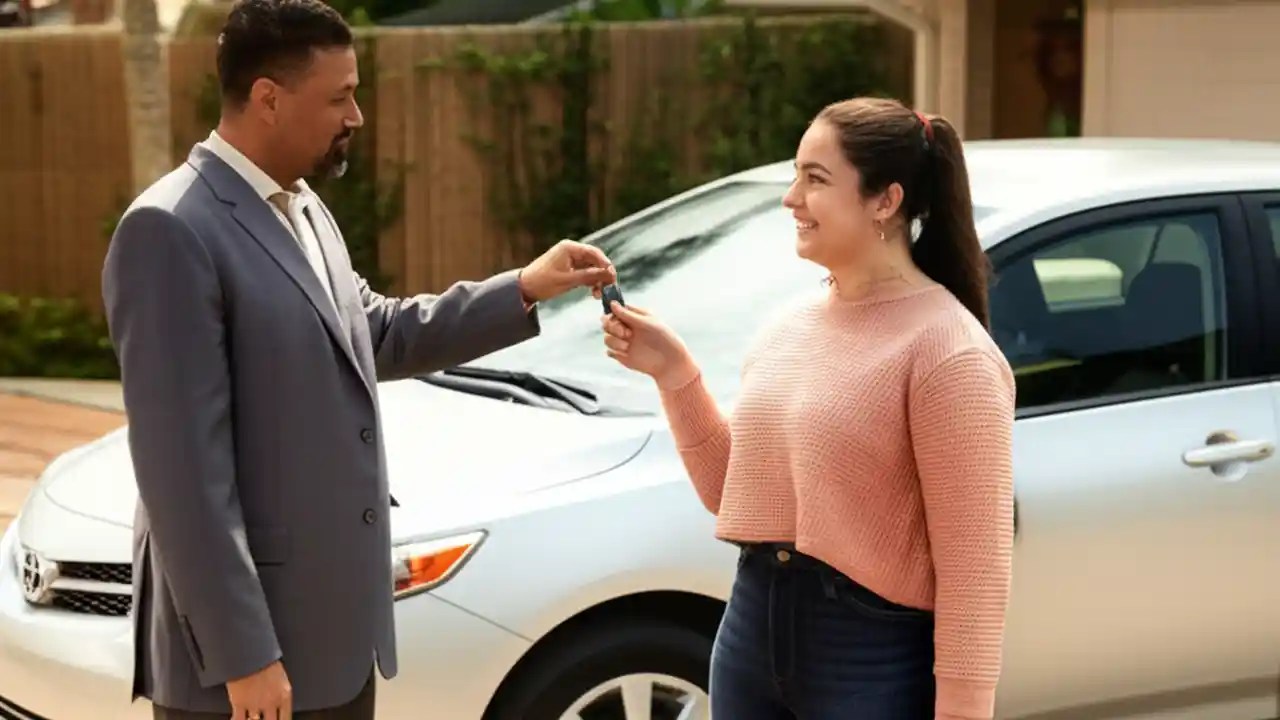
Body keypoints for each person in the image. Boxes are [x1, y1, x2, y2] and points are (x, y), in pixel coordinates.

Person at [101, 0, 616, 718]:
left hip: (334, 647)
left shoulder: (303, 205)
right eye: (340, 96)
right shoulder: (169, 230)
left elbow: (374, 331)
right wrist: (244, 655)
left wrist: (524, 288)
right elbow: (182, 476)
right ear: (268, 99)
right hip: (247, 667)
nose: (357, 116)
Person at [600, 96, 1016, 720]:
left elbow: (974, 571)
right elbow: (730, 493)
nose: (791, 198)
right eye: (795, 176)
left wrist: (963, 710)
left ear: (886, 200)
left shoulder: (950, 353)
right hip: (749, 631)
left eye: (815, 179)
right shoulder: (785, 330)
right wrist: (674, 373)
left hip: (869, 659)